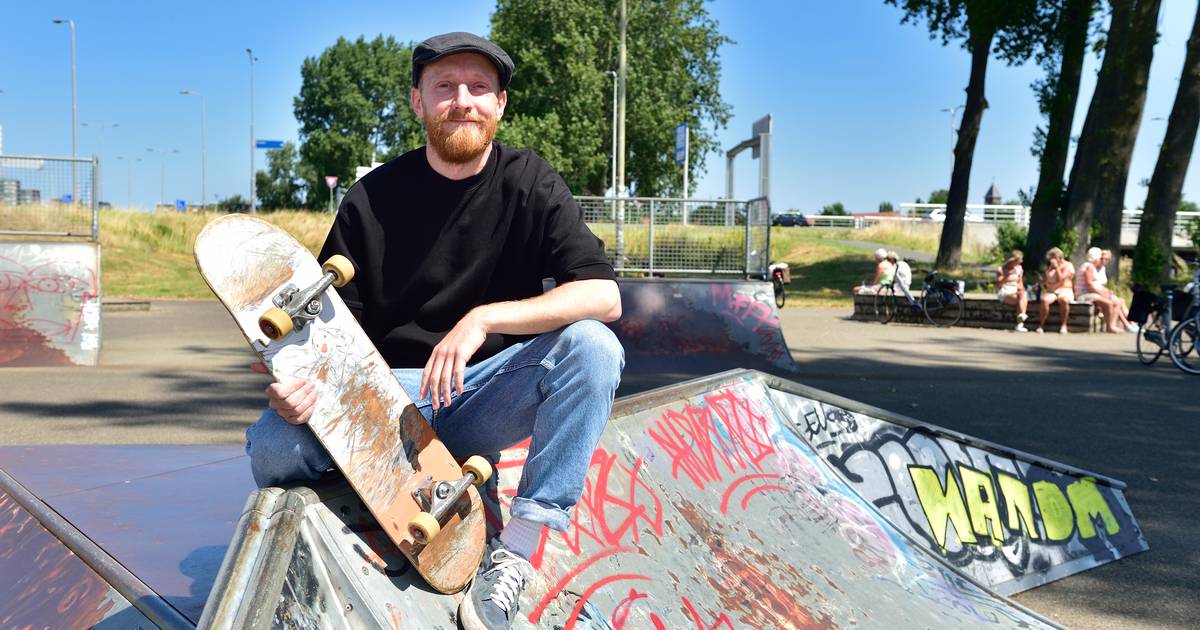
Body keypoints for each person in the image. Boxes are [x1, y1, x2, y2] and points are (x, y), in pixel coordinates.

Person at [243, 32, 624, 630]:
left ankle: (517, 550)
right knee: (273, 447)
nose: (462, 100)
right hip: (383, 398)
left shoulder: (530, 182)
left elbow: (604, 296)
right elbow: (327, 332)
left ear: (500, 104)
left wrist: (484, 318)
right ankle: (381, 499)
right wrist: (294, 386)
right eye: (445, 87)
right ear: (418, 102)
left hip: (481, 396)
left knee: (594, 349)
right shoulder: (372, 198)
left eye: (478, 88)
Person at [1075, 247, 1130, 334]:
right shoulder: (1089, 267)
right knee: (1109, 303)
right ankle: (1110, 327)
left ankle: (1114, 325)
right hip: (1083, 294)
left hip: (1088, 293)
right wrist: (1102, 294)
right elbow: (1089, 285)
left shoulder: (1088, 265)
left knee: (1116, 302)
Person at [1098, 249, 1138, 332]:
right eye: (1102, 258)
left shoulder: (1102, 269)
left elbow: (1101, 286)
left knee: (1121, 301)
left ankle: (1131, 323)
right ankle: (1127, 324)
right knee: (1117, 302)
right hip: (1099, 294)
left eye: (1106, 259)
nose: (1104, 260)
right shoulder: (1094, 268)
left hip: (1103, 292)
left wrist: (1107, 290)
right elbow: (1095, 285)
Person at [1037, 247, 1075, 334]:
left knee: (1064, 300)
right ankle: (1041, 325)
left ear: (1058, 257)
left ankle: (1063, 325)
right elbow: (1045, 280)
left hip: (1065, 289)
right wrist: (1039, 284)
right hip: (1052, 291)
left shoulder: (1068, 265)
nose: (1051, 260)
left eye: (1052, 257)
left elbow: (1061, 279)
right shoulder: (1050, 267)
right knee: (1044, 300)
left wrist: (1057, 267)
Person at [996, 250, 1029, 332]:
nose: (1021, 261)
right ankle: (1020, 323)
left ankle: (1021, 317)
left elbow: (1020, 283)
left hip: (1015, 291)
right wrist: (1006, 276)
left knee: (1023, 295)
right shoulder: (1002, 269)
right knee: (1021, 301)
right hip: (1005, 291)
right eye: (1019, 260)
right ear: (1013, 260)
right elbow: (999, 284)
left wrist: (1024, 291)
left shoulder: (1019, 268)